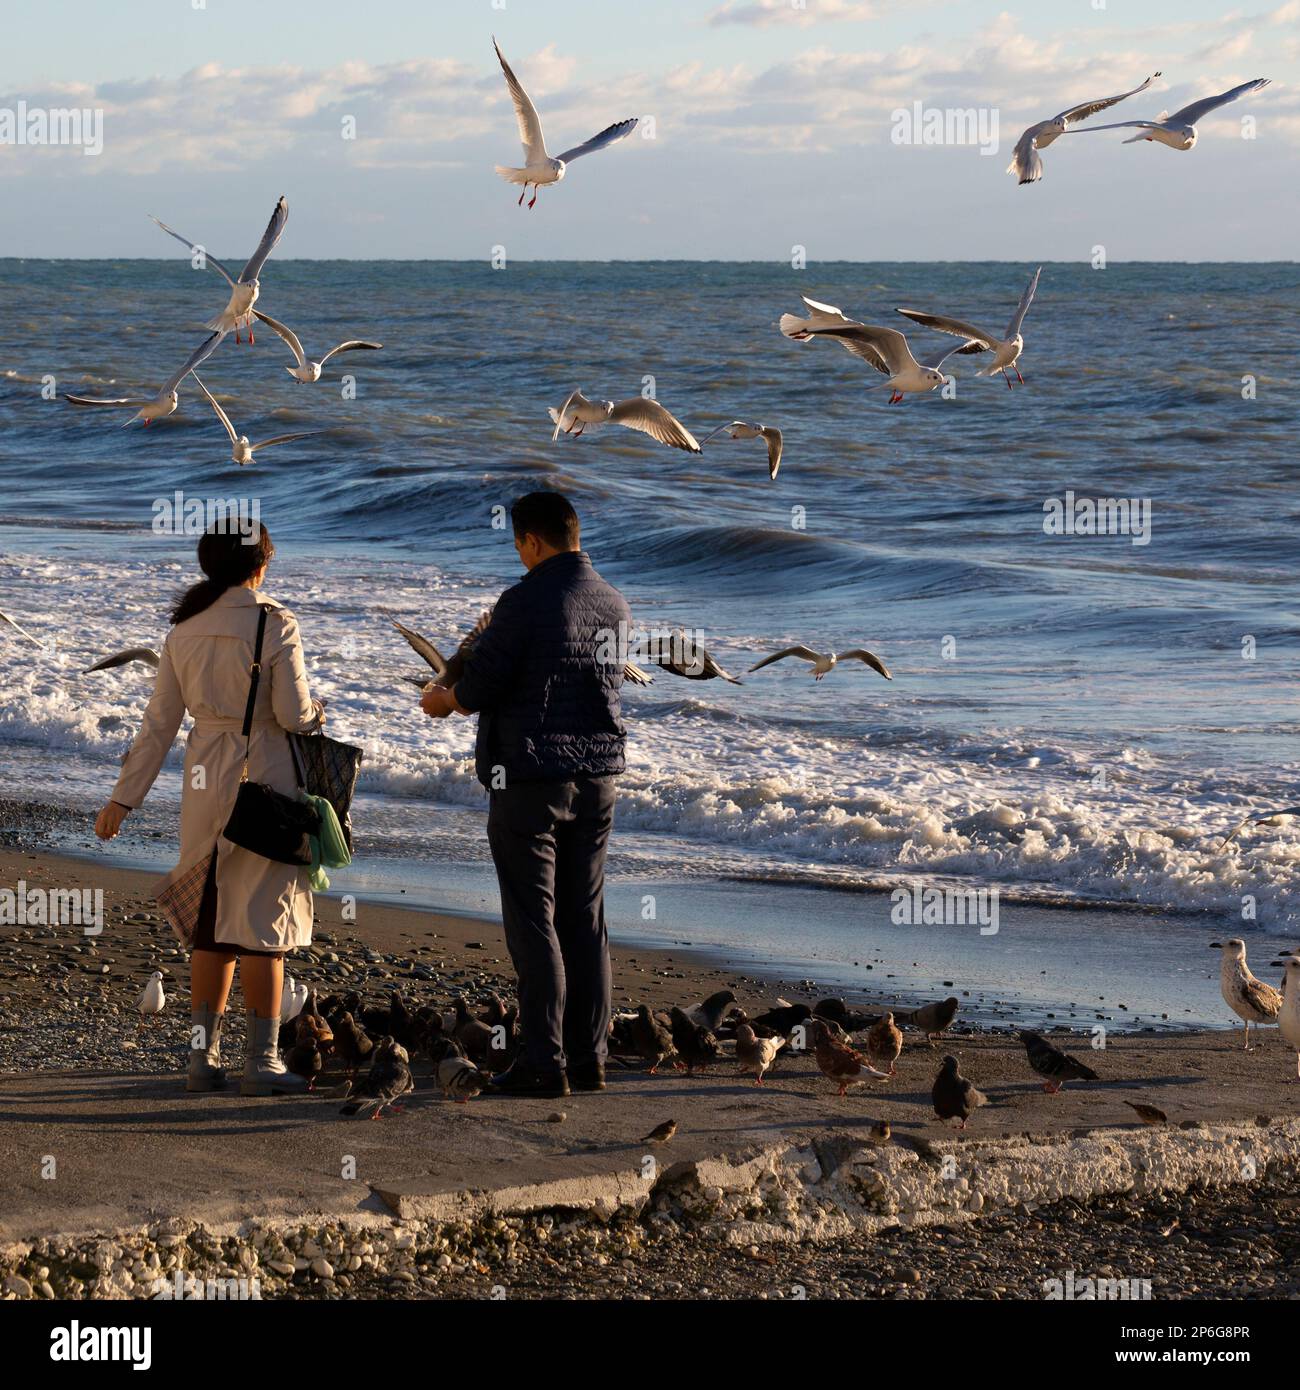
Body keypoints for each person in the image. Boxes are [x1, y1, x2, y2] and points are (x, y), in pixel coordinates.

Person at [94, 520, 326, 1096]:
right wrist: (319, 713)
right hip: (265, 781)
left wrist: (124, 798)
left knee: (211, 923)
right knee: (263, 925)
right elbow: (295, 716)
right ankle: (263, 1062)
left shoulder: (184, 629)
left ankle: (202, 1061)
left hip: (203, 783)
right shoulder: (276, 621)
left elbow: (158, 727)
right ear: (263, 562)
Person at [421, 491, 631, 1098]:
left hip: (530, 779)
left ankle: (544, 1061)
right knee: (585, 919)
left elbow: (478, 686)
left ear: (533, 542)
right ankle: (589, 1058)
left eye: (519, 544)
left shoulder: (523, 600)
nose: (519, 555)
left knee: (533, 919)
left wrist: (441, 700)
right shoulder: (615, 603)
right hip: (598, 779)